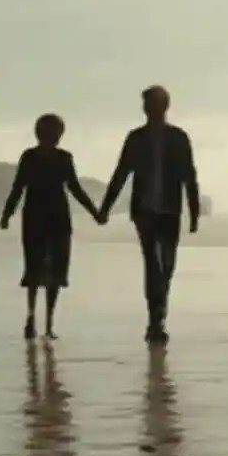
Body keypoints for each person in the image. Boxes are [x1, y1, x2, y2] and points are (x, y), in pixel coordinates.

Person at [98, 85, 199, 344]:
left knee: (167, 266)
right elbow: (121, 173)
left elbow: (189, 175)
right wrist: (106, 207)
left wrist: (194, 210)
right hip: (144, 211)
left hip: (170, 209)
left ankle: (159, 314)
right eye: (148, 104)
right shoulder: (136, 138)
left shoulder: (178, 138)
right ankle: (156, 320)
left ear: (164, 106)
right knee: (152, 263)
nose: (151, 108)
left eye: (154, 103)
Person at [1, 113, 101, 340]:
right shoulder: (33, 157)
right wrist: (7, 214)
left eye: (56, 133)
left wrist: (95, 212)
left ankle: (43, 322)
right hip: (42, 218)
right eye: (50, 133)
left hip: (52, 219)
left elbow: (74, 188)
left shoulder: (58, 158)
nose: (53, 137)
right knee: (36, 271)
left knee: (50, 272)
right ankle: (35, 320)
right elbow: (19, 187)